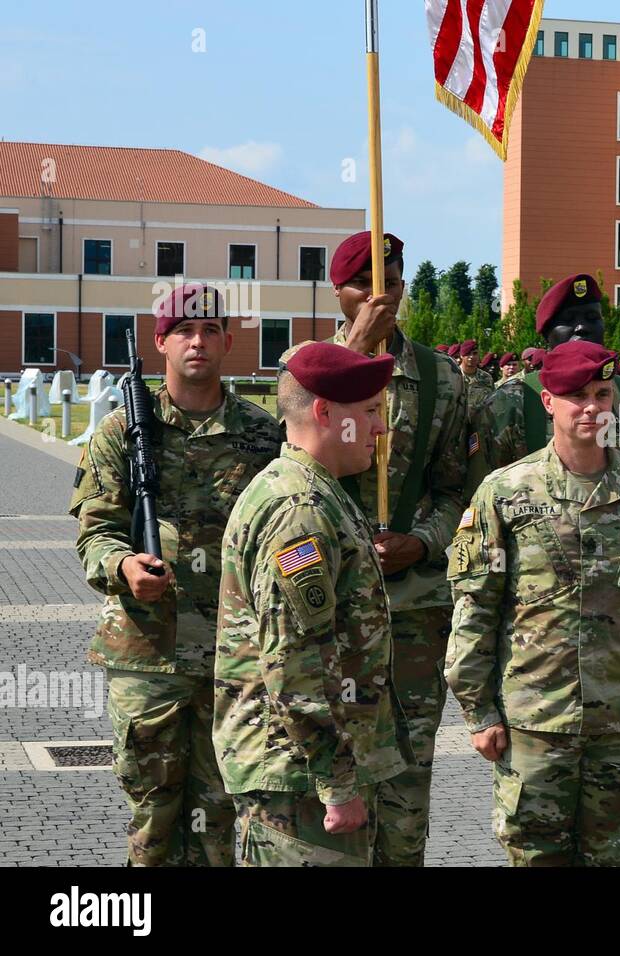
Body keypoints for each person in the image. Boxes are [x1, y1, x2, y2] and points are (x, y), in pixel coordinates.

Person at [447, 341, 620, 865]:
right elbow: (476, 607)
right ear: (548, 401)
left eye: (602, 394)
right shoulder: (505, 492)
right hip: (534, 721)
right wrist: (478, 709)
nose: (591, 407)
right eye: (575, 396)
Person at [70, 283, 282, 867]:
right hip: (148, 654)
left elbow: (291, 535)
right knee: (154, 815)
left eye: (210, 331)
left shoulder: (265, 436)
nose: (198, 341)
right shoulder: (122, 431)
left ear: (228, 343)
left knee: (221, 808)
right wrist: (122, 566)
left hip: (234, 656)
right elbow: (95, 529)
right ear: (161, 341)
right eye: (184, 331)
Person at [282, 230, 468, 866]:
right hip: (328, 612)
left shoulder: (441, 377)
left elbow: (453, 489)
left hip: (412, 613)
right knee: (328, 792)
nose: (380, 295)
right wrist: (354, 353)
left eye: (392, 279)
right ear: (339, 293)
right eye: (365, 283)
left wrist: (423, 542)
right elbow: (289, 468)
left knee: (406, 791)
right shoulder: (303, 364)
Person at [216, 343, 407, 866]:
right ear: (325, 412)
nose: (380, 428)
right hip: (298, 779)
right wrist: (336, 784)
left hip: (300, 769)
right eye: (369, 412)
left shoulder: (310, 491)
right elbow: (295, 663)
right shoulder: (301, 510)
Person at [467, 274, 620, 494]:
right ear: (547, 334)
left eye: (592, 317)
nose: (581, 328)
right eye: (568, 320)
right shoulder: (509, 404)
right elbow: (481, 494)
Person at [459, 339, 496, 409]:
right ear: (461, 356)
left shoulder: (486, 378)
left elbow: (492, 402)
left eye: (475, 353)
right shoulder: (455, 375)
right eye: (468, 354)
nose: (471, 357)